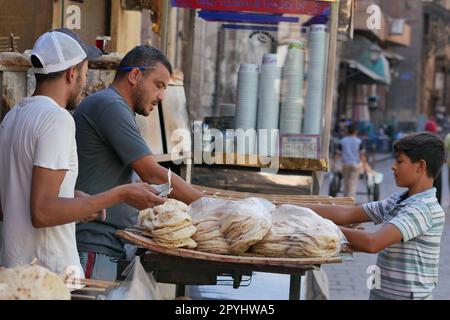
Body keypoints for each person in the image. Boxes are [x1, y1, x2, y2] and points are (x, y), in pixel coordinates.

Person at [0, 29, 165, 275]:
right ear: (72, 73)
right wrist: (120, 194)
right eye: (85, 73)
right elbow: (42, 212)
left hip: (14, 271)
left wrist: (78, 200)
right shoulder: (57, 119)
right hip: (50, 273)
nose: (85, 82)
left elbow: (10, 203)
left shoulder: (14, 116)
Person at [73, 45, 204, 280]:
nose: (162, 96)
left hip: (107, 245)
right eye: (158, 85)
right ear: (135, 75)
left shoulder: (116, 107)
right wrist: (208, 206)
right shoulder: (110, 106)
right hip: (93, 245)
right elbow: (152, 173)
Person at [305, 132, 445, 300]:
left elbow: (373, 243)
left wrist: (321, 225)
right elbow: (346, 213)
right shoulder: (397, 200)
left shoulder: (424, 209)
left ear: (420, 166)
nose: (393, 166)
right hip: (382, 293)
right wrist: (296, 209)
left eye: (399, 161)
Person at [333, 124, 368, 198]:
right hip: (356, 165)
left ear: (347, 131)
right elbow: (362, 155)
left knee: (346, 183)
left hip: (345, 165)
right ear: (356, 131)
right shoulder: (359, 141)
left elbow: (338, 154)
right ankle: (350, 200)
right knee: (353, 183)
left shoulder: (343, 141)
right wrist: (365, 166)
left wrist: (334, 163)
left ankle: (346, 199)